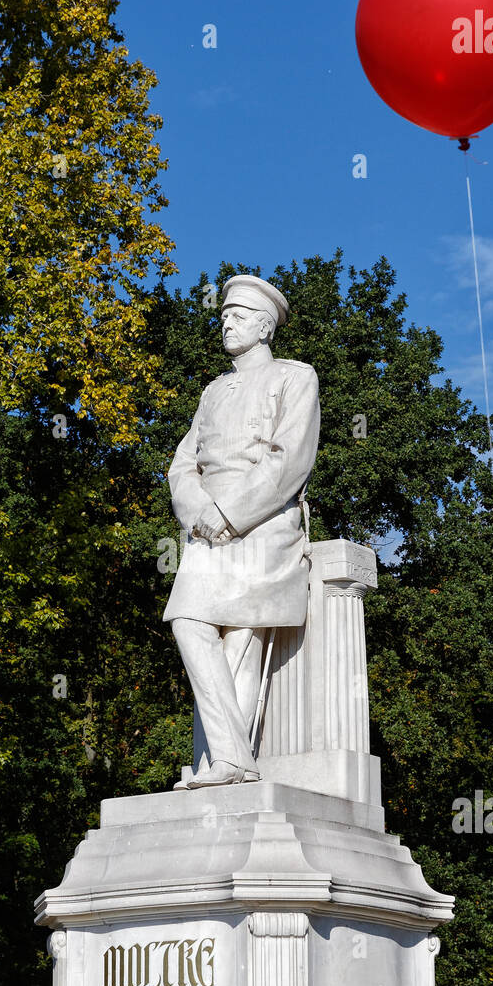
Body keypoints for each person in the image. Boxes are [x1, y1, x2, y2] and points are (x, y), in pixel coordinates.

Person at [163, 274, 320, 788]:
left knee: (241, 640)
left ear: (264, 326)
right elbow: (182, 464)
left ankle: (225, 764)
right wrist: (200, 511)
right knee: (187, 619)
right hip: (206, 530)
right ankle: (233, 759)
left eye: (238, 316)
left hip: (263, 525)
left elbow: (289, 459)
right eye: (225, 314)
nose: (226, 322)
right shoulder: (212, 391)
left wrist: (230, 512)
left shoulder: (295, 378)